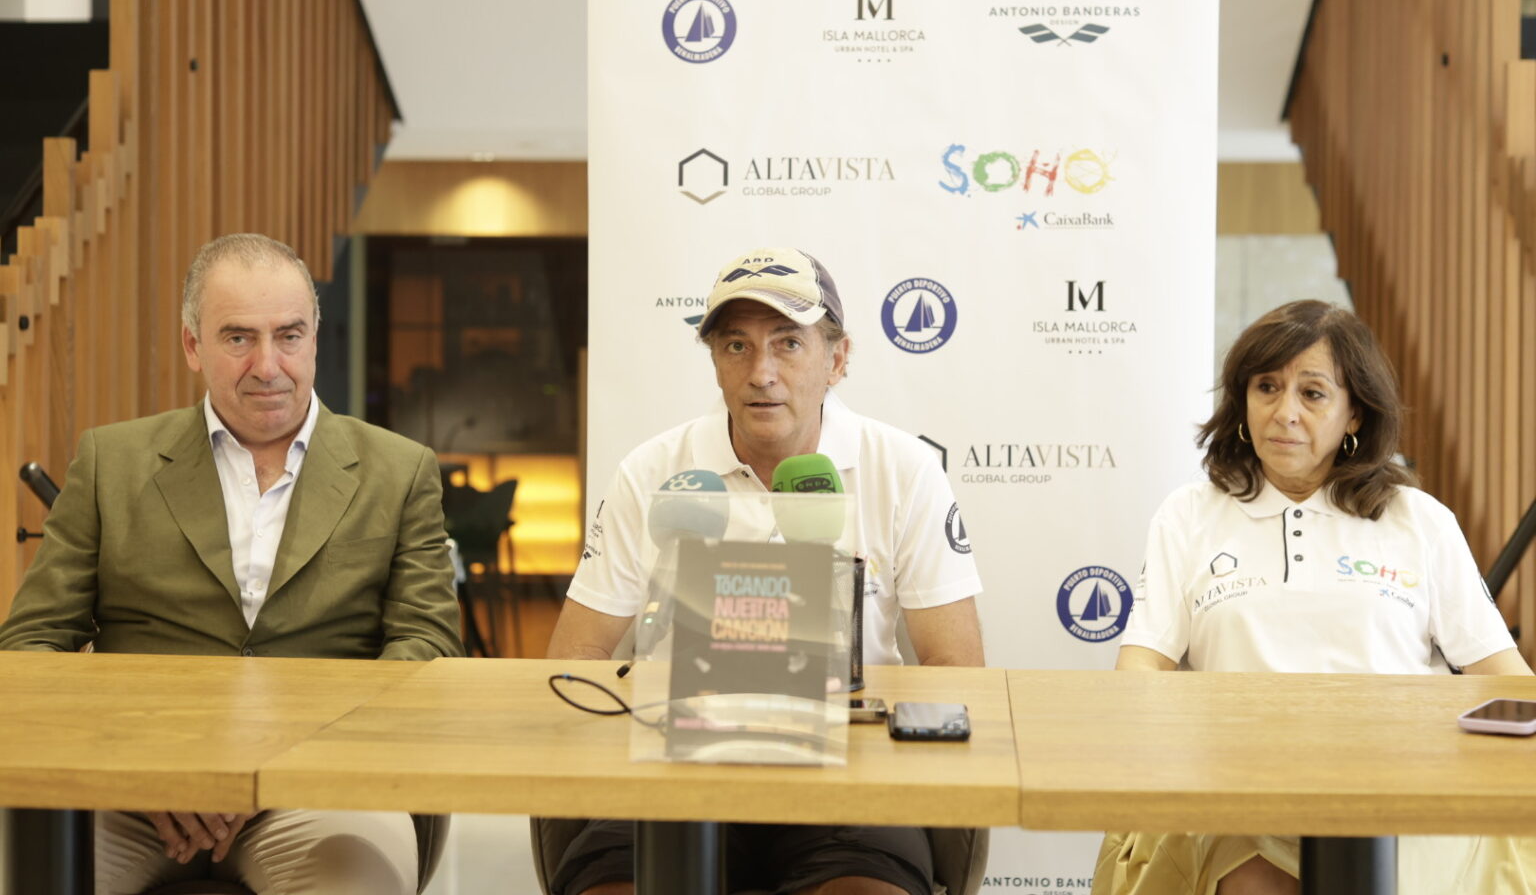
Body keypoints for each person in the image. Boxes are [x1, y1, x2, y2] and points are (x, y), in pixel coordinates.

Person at [0, 233, 464, 895]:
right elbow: (29, 647)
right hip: (129, 793)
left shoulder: (400, 470)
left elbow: (427, 652)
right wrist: (137, 767)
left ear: (314, 339)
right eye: (239, 338)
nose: (268, 365)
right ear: (193, 345)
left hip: (317, 785)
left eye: (289, 336)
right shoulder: (110, 463)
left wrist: (277, 765)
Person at [545, 246, 985, 895]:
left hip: (850, 777)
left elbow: (956, 666)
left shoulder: (903, 469)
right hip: (673, 775)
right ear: (715, 362)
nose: (761, 373)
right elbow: (575, 655)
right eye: (736, 346)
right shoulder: (652, 471)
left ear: (837, 359)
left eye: (788, 343)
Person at [1093, 299, 1534, 895]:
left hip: (1403, 789)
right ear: (1243, 402)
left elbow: (1504, 680)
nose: (1285, 413)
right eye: (1267, 387)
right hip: (1232, 787)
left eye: (1313, 393)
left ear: (1354, 415)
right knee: (1250, 878)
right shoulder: (1189, 514)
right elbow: (1141, 670)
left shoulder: (1418, 519)